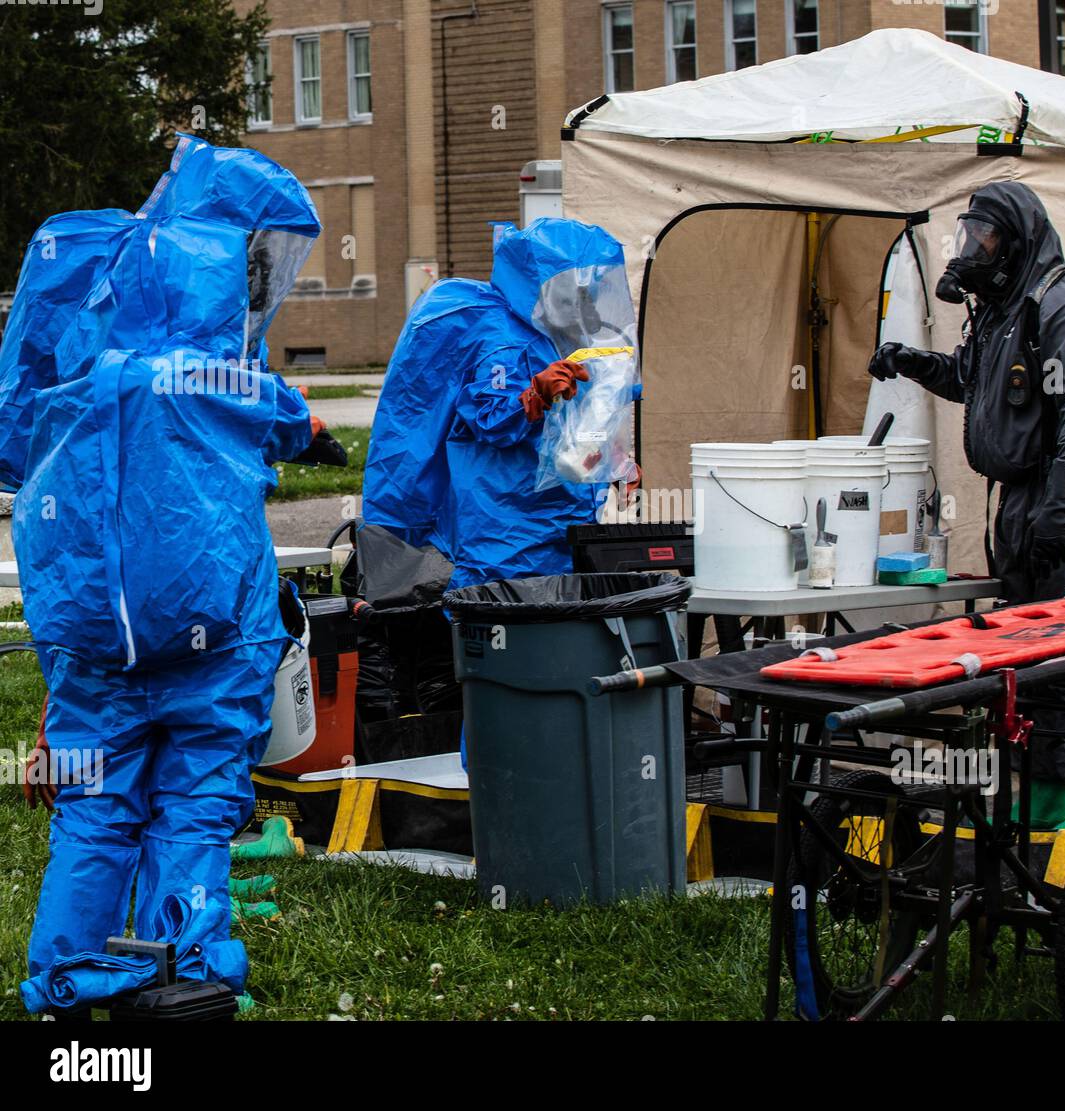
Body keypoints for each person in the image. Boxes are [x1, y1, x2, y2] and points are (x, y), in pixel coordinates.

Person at [2, 135, 333, 1013]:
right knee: (193, 806)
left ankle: (67, 985)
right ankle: (182, 980)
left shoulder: (83, 349)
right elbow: (291, 421)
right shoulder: (223, 372)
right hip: (212, 638)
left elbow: (15, 446)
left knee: (92, 812)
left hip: (91, 644)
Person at [869, 181, 1065, 830]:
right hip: (1022, 502)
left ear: (1016, 242)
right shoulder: (1003, 309)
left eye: (982, 237)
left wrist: (1061, 504)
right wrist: (913, 363)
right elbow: (971, 379)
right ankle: (1044, 796)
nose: (970, 250)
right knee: (1030, 649)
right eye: (967, 235)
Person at [364, 218, 637, 591]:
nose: (585, 305)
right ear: (542, 285)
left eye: (591, 290)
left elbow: (579, 421)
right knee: (501, 617)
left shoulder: (558, 338)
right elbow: (490, 418)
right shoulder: (503, 339)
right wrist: (532, 398)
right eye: (575, 289)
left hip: (557, 515)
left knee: (555, 618)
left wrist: (614, 460)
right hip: (506, 518)